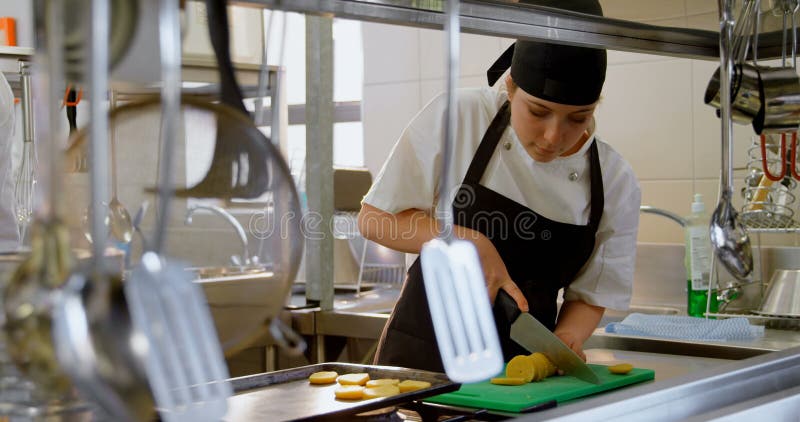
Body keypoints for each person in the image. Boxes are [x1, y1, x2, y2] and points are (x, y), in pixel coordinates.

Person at [357, 0, 641, 372]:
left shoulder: (615, 180)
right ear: (510, 87)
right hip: (422, 360)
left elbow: (592, 293)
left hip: (525, 370)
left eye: (578, 118)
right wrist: (465, 240)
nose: (553, 136)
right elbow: (375, 220)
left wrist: (567, 338)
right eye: (538, 112)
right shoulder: (460, 117)